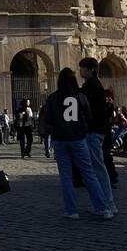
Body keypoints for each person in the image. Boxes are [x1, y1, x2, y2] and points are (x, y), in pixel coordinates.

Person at [44, 68, 113, 219]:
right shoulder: (80, 97)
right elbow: (88, 117)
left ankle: (71, 210)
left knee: (66, 176)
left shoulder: (53, 98)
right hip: (78, 138)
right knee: (89, 174)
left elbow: (47, 120)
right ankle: (103, 208)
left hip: (60, 139)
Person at [77, 58, 117, 212]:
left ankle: (107, 204)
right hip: (98, 130)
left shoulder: (91, 85)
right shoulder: (95, 84)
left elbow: (88, 109)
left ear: (91, 69)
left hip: (94, 131)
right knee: (97, 167)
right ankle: (106, 203)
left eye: (83, 68)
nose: (80, 71)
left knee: (97, 168)